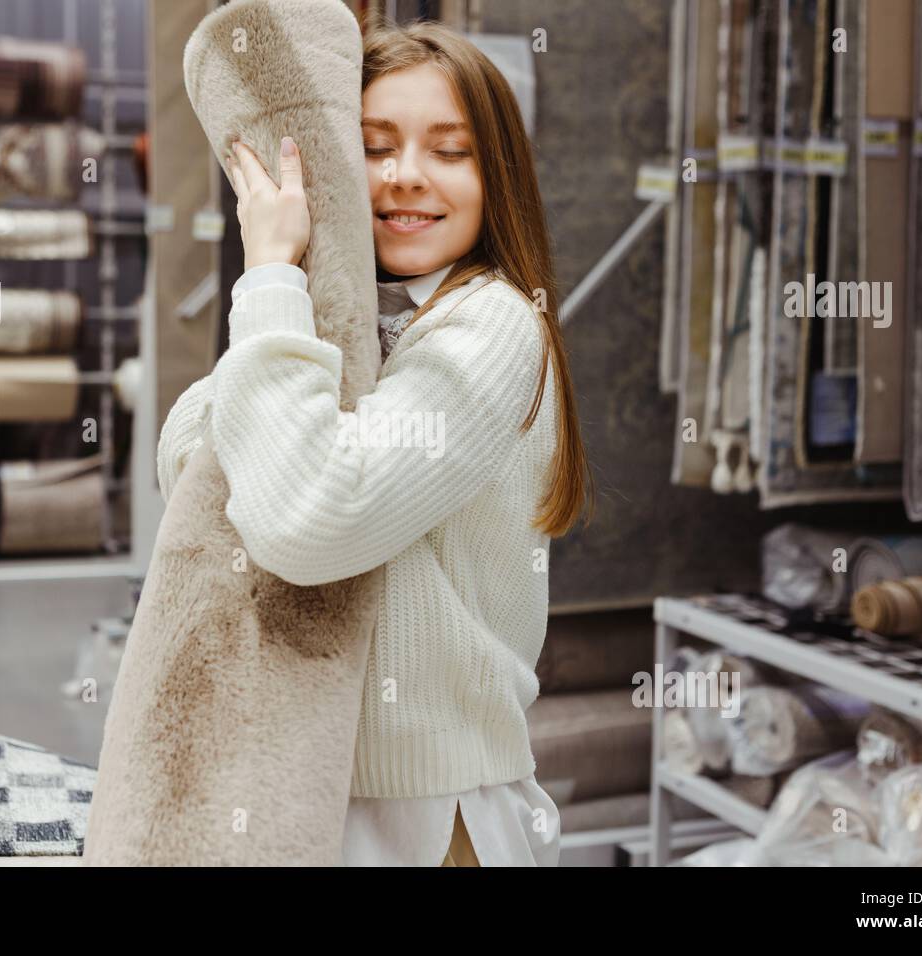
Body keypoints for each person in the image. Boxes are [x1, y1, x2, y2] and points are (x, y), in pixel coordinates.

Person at [157, 20, 594, 866]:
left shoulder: (490, 324)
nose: (404, 178)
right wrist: (302, 304)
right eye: (375, 147)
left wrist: (273, 279)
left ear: (495, 172)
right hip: (314, 788)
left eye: (450, 150)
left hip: (433, 818)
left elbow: (305, 522)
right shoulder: (357, 320)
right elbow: (188, 467)